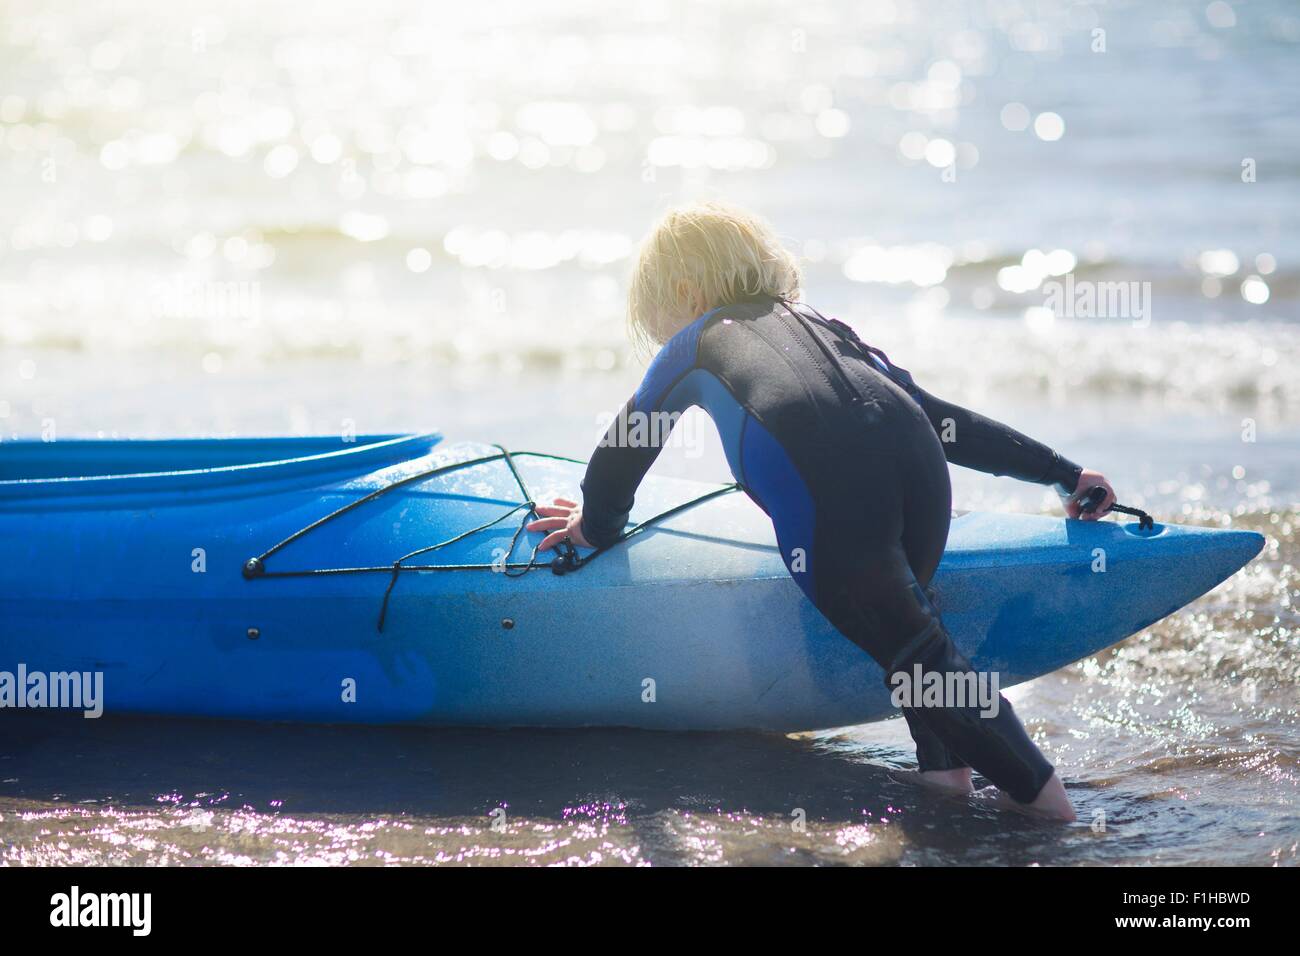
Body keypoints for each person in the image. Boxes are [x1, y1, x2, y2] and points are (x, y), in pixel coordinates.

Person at [528, 201, 1114, 821]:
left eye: (657, 315)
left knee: (918, 658)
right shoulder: (824, 324)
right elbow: (944, 419)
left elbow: (628, 442)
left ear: (683, 289)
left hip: (829, 494)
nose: (659, 332)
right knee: (915, 625)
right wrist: (1060, 472)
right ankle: (945, 781)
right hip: (920, 471)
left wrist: (594, 527)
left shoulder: (693, 345)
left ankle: (1053, 814)